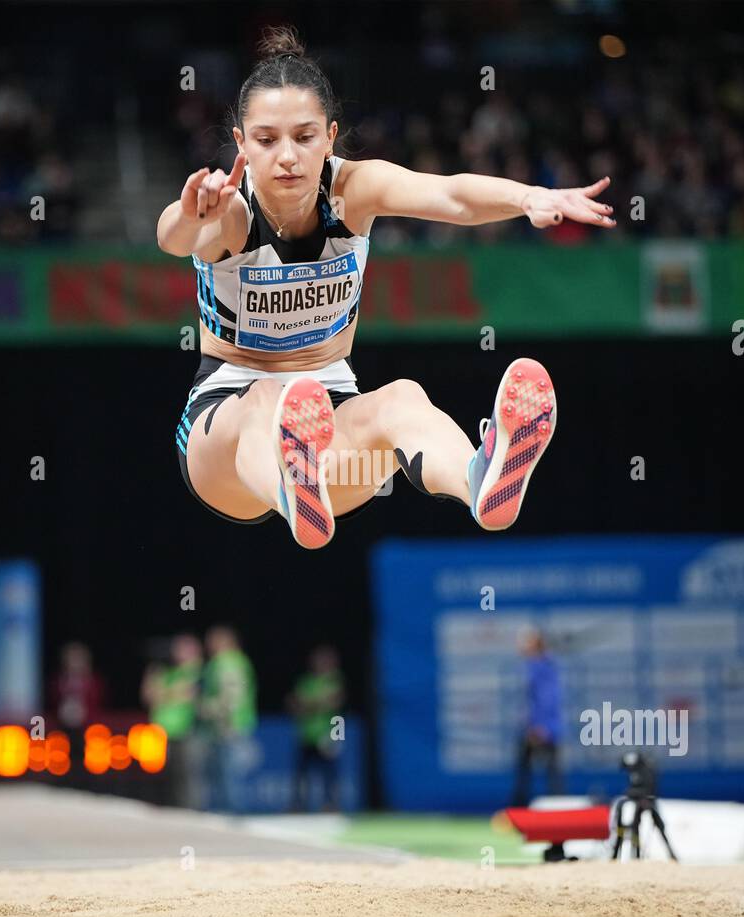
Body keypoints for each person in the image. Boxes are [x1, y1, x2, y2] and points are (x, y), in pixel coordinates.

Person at [159, 25, 615, 549]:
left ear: (330, 137)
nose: (287, 156)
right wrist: (193, 212)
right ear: (240, 142)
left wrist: (528, 196)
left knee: (403, 399)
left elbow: (452, 196)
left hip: (328, 437)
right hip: (226, 442)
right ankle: (291, 488)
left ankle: (480, 476)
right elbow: (173, 237)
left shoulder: (353, 190)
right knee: (265, 398)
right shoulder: (231, 212)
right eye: (266, 140)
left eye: (305, 137)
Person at [200, 626, 258, 813]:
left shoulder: (227, 662)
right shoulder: (238, 660)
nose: (208, 646)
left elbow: (233, 696)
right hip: (232, 724)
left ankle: (233, 818)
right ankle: (229, 816)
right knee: (224, 775)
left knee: (228, 775)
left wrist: (209, 709)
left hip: (228, 726)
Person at [141, 633, 202, 808]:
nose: (177, 652)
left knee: (189, 776)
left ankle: (192, 813)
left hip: (188, 730)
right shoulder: (168, 672)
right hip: (163, 731)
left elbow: (189, 694)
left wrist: (165, 693)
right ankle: (172, 810)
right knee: (167, 776)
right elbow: (149, 695)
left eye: (183, 648)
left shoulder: (197, 671)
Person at [286, 644, 345, 812]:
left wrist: (308, 704)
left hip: (330, 733)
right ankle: (298, 804)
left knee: (329, 773)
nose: (320, 663)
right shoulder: (306, 681)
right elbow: (293, 703)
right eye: (318, 660)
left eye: (324, 660)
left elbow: (332, 702)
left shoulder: (335, 679)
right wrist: (313, 704)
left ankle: (331, 804)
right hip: (307, 733)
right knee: (301, 774)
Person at [511, 627, 564, 807]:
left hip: (543, 728)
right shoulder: (533, 665)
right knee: (526, 771)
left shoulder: (544, 667)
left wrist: (541, 727)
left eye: (525, 642)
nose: (520, 646)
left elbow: (547, 699)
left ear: (535, 645)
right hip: (533, 727)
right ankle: (519, 811)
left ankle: (558, 813)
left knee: (551, 773)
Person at [50, 641, 106, 731]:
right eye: (72, 658)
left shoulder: (94, 682)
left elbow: (99, 703)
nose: (75, 662)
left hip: (90, 728)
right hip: (61, 729)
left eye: (78, 658)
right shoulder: (58, 682)